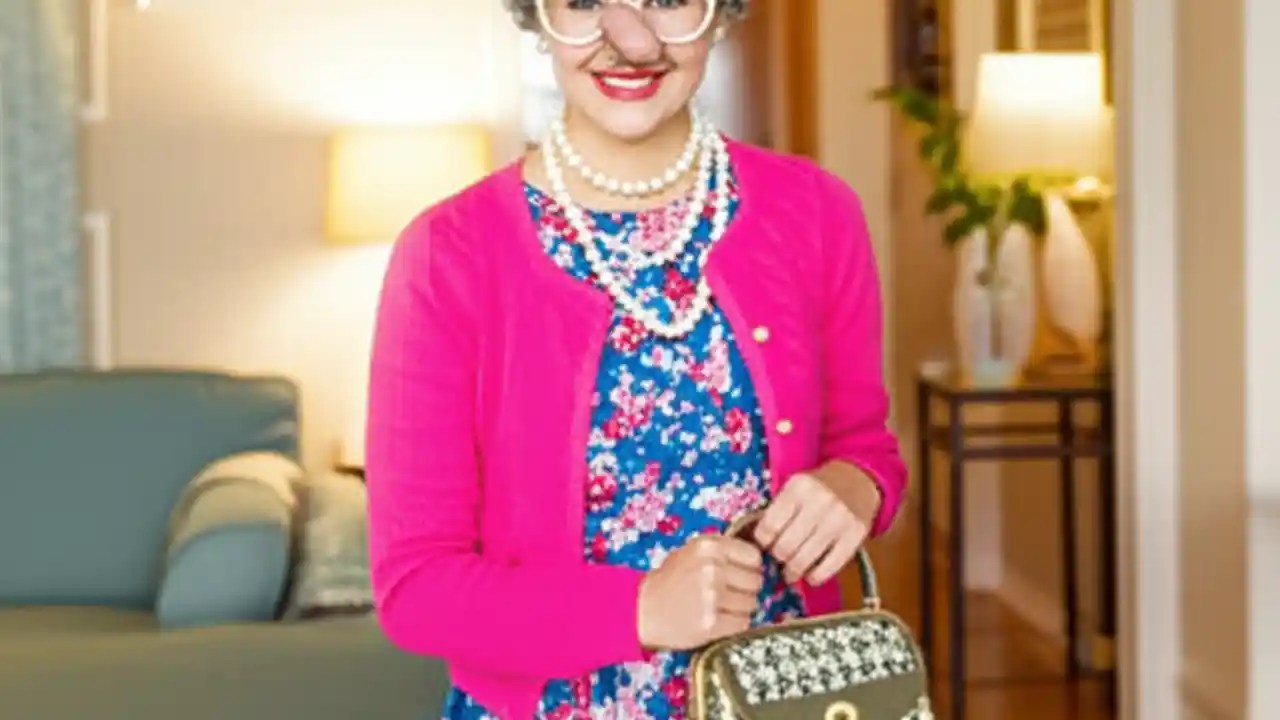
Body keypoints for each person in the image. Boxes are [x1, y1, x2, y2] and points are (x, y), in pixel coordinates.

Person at [364, 1, 907, 718]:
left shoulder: (817, 214)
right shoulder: (447, 256)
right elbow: (417, 589)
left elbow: (863, 448)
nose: (632, 41)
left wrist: (855, 487)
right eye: (586, 2)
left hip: (787, 698)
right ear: (537, 13)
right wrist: (642, 608)